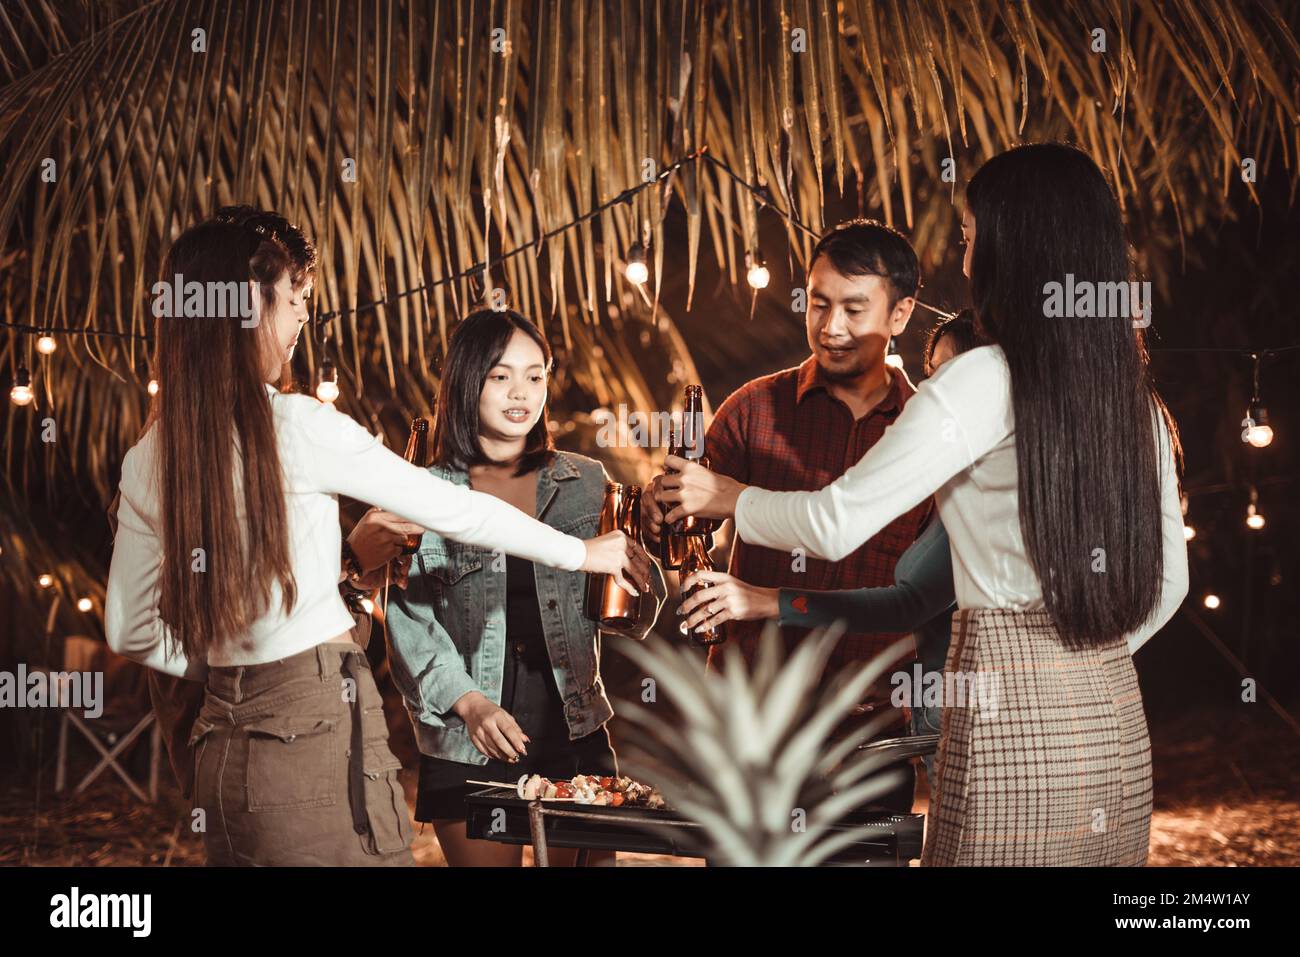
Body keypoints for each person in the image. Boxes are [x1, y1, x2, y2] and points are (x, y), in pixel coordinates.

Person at [660, 144, 1189, 866]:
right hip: (1112, 714)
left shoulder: (984, 378)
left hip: (1005, 707)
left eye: (972, 241)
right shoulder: (1137, 401)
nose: (966, 265)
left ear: (1014, 246)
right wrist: (1082, 661)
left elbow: (835, 521)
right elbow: (1172, 582)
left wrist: (731, 497)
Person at [104, 209, 649, 866]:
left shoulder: (149, 453)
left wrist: (234, 667)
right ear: (251, 303)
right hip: (310, 726)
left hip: (224, 742)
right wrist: (583, 552)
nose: (303, 318)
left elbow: (129, 630)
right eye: (298, 299)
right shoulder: (301, 426)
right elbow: (457, 510)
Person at [385, 309, 665, 867]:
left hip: (573, 727)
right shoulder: (423, 492)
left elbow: (636, 612)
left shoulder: (585, 481)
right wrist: (469, 704)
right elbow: (406, 620)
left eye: (535, 375)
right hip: (468, 736)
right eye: (501, 375)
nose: (522, 392)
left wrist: (644, 558)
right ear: (468, 380)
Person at [676, 311, 983, 795]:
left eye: (956, 377)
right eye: (935, 376)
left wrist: (763, 594)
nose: (939, 395)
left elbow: (853, 547)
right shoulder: (755, 406)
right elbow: (684, 524)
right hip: (761, 728)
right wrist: (663, 509)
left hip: (911, 736)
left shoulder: (973, 486)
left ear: (898, 310)